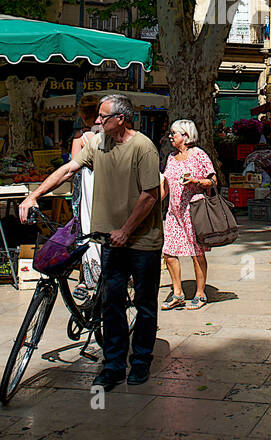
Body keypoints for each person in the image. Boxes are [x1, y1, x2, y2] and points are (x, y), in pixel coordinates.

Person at [19, 94, 163, 391]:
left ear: (120, 119)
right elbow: (69, 169)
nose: (98, 121)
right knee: (111, 303)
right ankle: (112, 365)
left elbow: (150, 195)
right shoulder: (97, 144)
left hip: (142, 241)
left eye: (103, 116)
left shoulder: (143, 148)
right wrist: (35, 194)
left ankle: (140, 362)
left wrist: (125, 229)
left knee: (145, 304)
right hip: (110, 239)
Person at [160, 119, 217, 311]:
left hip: (193, 210)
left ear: (185, 136)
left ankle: (200, 294)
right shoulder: (171, 157)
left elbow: (213, 180)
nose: (170, 136)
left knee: (196, 252)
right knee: (169, 252)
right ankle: (177, 293)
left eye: (173, 133)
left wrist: (196, 181)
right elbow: (166, 185)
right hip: (174, 212)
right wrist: (153, 203)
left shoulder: (199, 154)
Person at [70, 93, 103, 301]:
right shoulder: (109, 136)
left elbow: (73, 164)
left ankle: (87, 276)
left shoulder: (81, 137)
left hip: (86, 187)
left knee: (84, 228)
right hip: (106, 188)